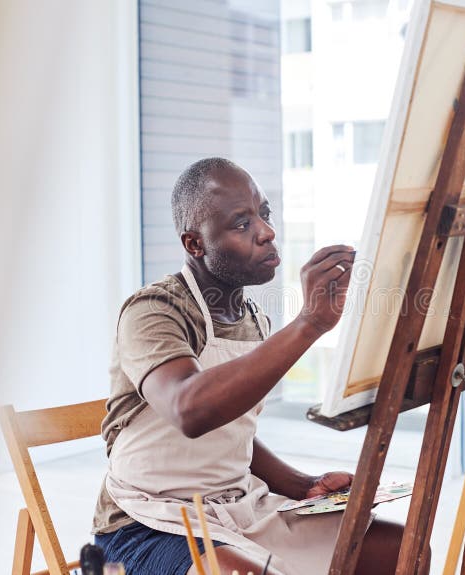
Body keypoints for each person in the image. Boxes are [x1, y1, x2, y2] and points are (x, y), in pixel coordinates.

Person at [91, 158, 420, 575]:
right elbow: (189, 411)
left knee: (403, 550)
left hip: (241, 505)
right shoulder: (155, 310)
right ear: (195, 244)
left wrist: (301, 484)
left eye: (264, 214)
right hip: (151, 522)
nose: (267, 232)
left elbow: (231, 432)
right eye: (242, 224)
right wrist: (308, 324)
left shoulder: (254, 320)